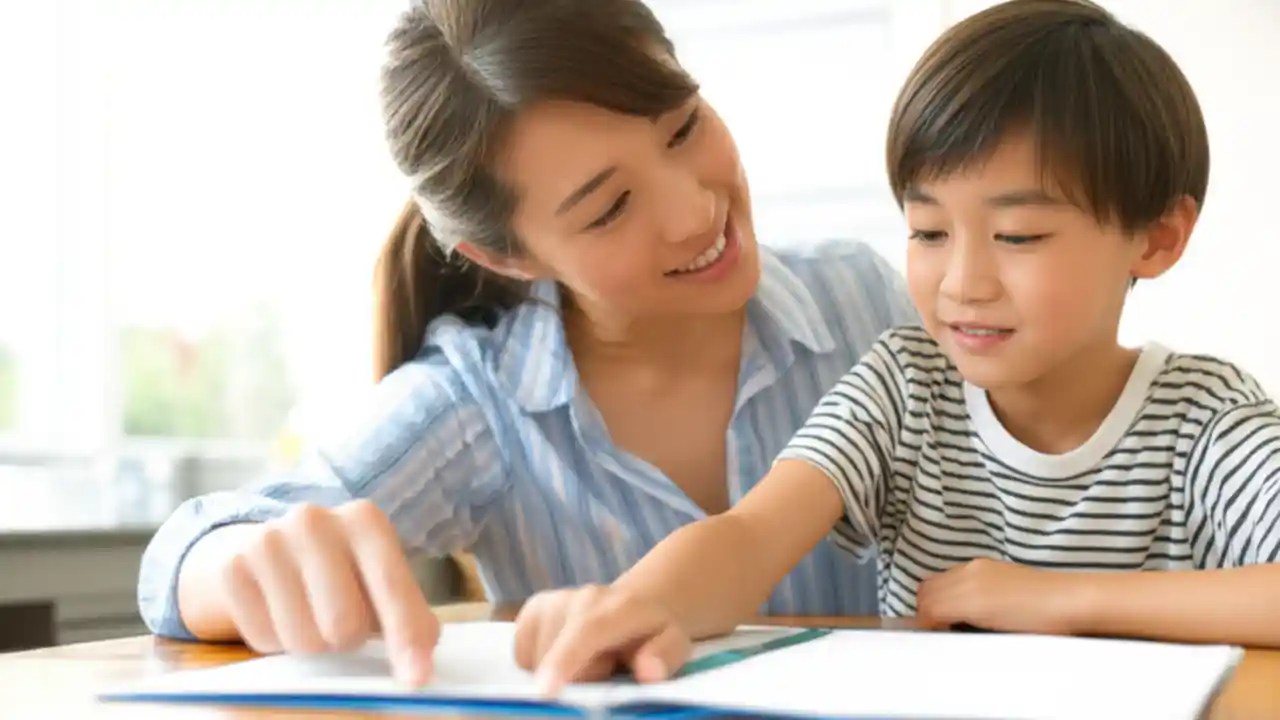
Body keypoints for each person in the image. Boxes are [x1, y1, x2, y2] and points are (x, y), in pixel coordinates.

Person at [135, 0, 917, 688]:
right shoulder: (481, 403)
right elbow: (191, 551)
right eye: (609, 209)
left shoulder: (861, 302)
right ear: (509, 257)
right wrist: (239, 560)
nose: (693, 212)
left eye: (683, 128)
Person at [515, 0, 1280, 693]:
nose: (963, 282)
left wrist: (1054, 598)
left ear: (1156, 238)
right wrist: (636, 609)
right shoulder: (902, 389)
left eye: (1018, 235)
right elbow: (748, 537)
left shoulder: (1204, 420)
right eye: (928, 232)